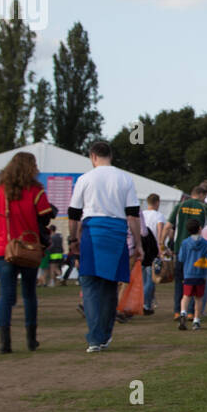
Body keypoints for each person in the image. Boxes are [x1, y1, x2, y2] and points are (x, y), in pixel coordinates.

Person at [67, 140, 143, 353]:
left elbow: (73, 214)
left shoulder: (84, 179)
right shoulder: (124, 178)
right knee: (109, 287)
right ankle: (105, 334)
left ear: (93, 156)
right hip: (117, 233)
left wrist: (73, 240)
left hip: (92, 232)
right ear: (111, 155)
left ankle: (94, 337)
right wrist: (138, 244)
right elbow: (133, 215)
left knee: (90, 285)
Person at [0, 152, 56, 353]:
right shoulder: (36, 191)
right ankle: (31, 339)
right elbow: (45, 220)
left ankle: (5, 343)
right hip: (29, 249)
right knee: (29, 294)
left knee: (6, 296)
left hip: (4, 248)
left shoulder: (0, 190)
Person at [164, 187, 207, 323]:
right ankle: (192, 313)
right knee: (198, 288)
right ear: (201, 194)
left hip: (180, 248)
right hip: (199, 255)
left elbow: (168, 225)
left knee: (180, 283)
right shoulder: (205, 207)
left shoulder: (180, 206)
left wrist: (161, 243)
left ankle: (178, 311)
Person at [176, 219, 207, 331]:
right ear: (200, 229)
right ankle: (196, 320)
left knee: (186, 296)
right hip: (200, 274)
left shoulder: (185, 243)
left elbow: (181, 258)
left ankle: (183, 312)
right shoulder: (206, 244)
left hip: (188, 273)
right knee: (198, 298)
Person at [140, 193, 166, 314]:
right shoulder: (159, 216)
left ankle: (148, 304)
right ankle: (145, 304)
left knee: (143, 279)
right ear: (157, 202)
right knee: (152, 279)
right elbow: (160, 231)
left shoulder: (143, 214)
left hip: (142, 248)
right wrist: (161, 247)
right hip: (153, 249)